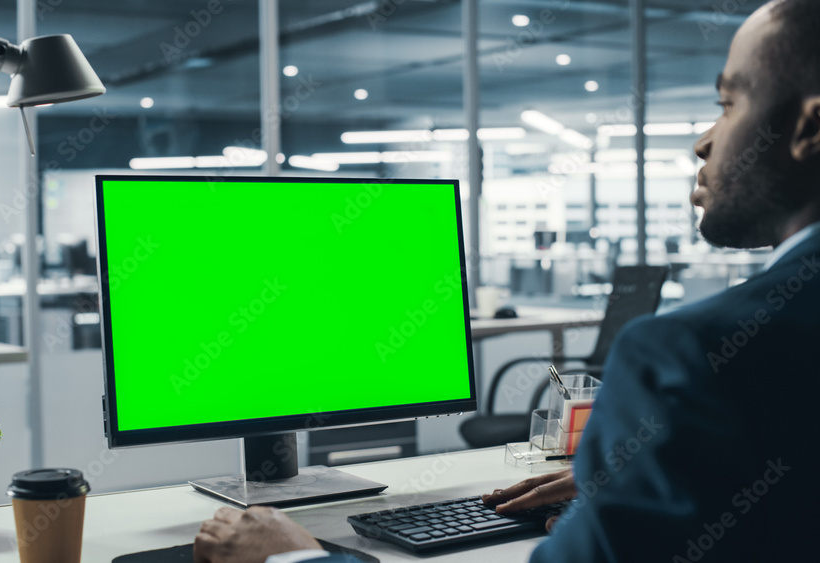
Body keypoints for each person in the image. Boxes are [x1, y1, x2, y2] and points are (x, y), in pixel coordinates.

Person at [194, 1, 820, 560]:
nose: (703, 142)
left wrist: (294, 558)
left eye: (728, 104)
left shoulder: (690, 357)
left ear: (809, 129)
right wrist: (651, 476)